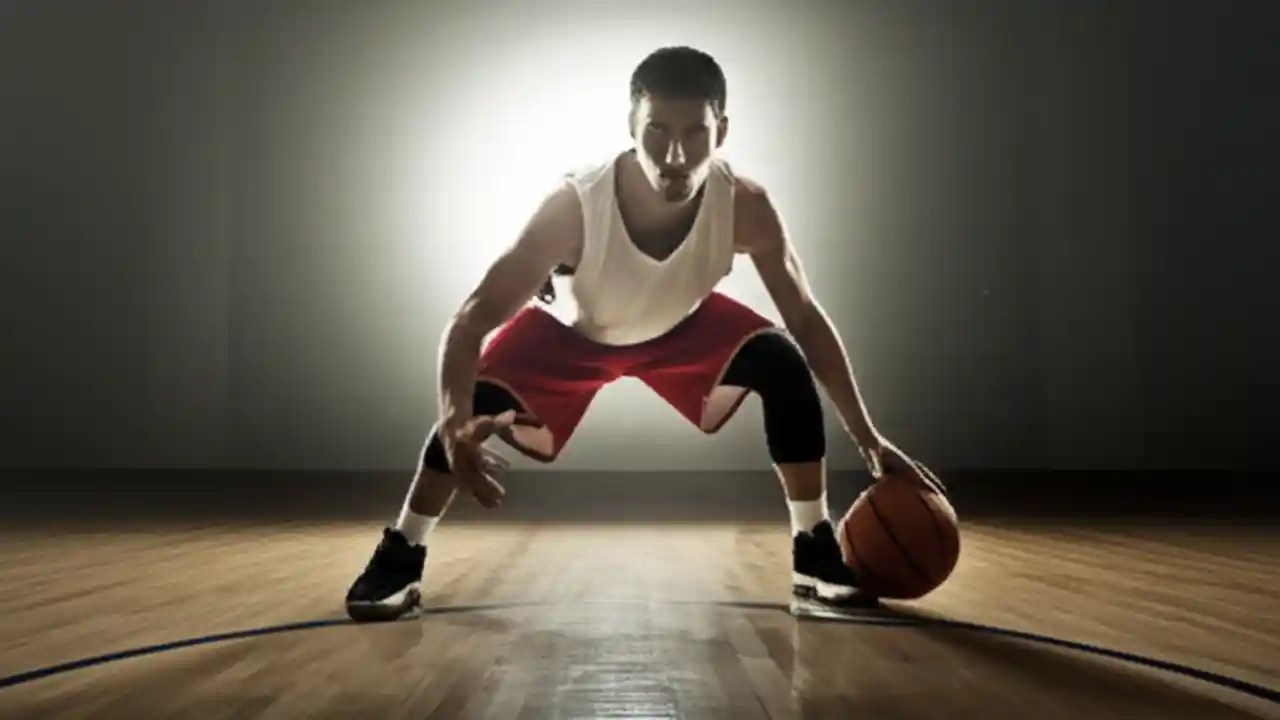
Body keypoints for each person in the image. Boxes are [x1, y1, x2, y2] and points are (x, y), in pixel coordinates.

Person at [344, 46, 939, 622]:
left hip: (680, 330)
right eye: (657, 130)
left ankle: (814, 553)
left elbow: (807, 319)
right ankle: (404, 550)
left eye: (694, 133)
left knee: (782, 358)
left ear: (722, 131)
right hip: (574, 338)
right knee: (472, 405)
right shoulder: (573, 206)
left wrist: (869, 440)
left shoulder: (747, 207)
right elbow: (470, 320)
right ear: (631, 125)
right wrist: (453, 421)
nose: (675, 154)